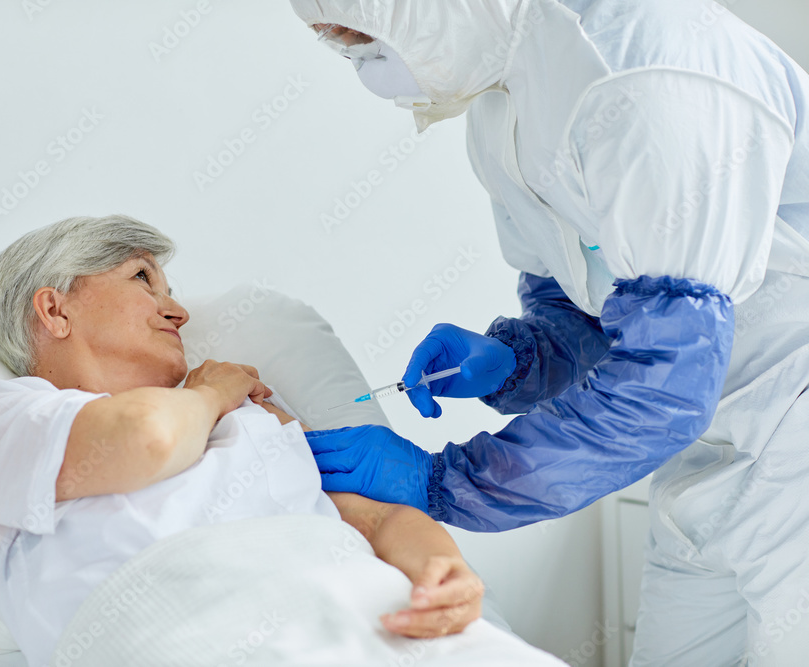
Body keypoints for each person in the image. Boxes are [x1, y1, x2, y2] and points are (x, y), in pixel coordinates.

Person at [289, 1, 809, 664]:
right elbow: (592, 313)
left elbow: (666, 384)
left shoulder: (643, 72)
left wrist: (442, 481)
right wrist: (513, 358)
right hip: (706, 457)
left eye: (364, 40)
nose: (364, 69)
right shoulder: (503, 110)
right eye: (341, 46)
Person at [0, 215, 493, 667]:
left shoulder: (248, 416)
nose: (178, 310)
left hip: (374, 623)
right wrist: (210, 393)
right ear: (55, 309)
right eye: (142, 279)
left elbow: (373, 520)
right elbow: (146, 437)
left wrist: (443, 568)